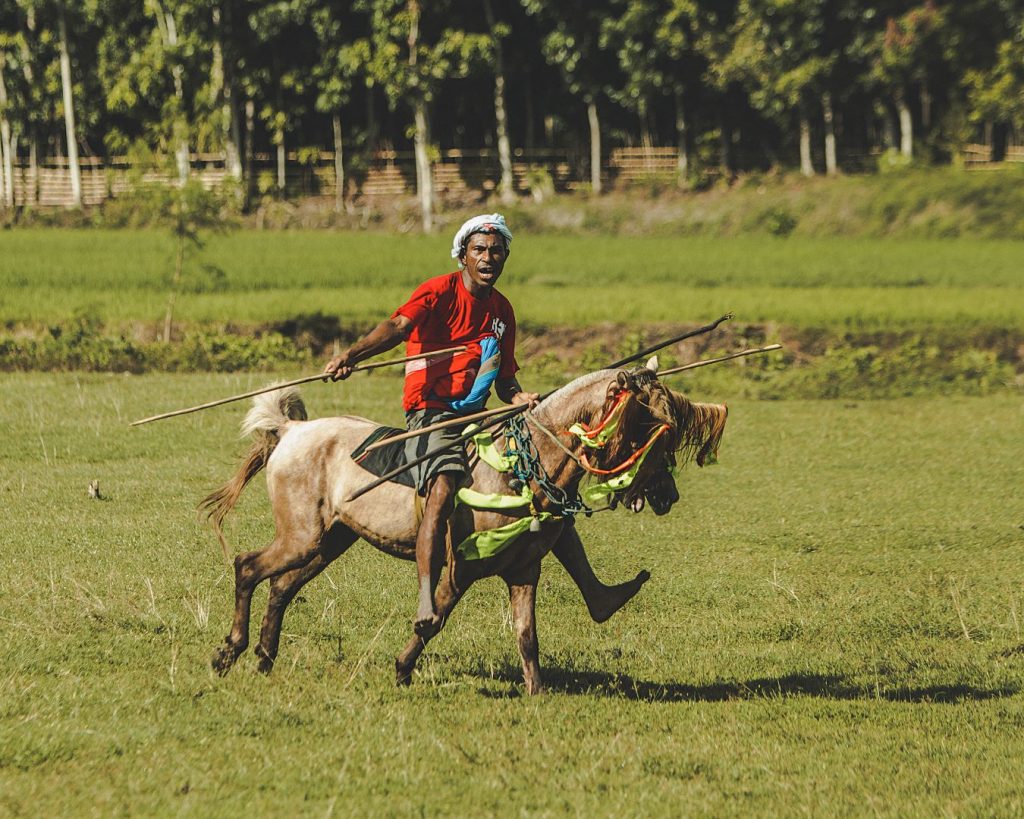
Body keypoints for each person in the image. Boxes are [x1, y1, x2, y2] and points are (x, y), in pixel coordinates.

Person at [324, 214, 538, 635]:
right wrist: (353, 355)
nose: (488, 257)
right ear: (463, 255)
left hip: (476, 413)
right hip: (431, 409)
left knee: (536, 477)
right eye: (478, 250)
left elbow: (506, 378)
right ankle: (426, 595)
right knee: (443, 485)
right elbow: (397, 326)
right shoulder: (439, 290)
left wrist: (520, 397)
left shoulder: (502, 311)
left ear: (505, 257)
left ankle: (590, 588)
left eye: (496, 251)